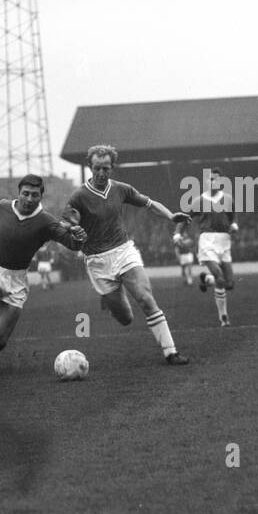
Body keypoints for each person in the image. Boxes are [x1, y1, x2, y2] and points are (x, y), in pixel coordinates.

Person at [63, 145, 192, 365]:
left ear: (112, 167)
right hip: (97, 262)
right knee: (125, 318)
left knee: (145, 298)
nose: (101, 173)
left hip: (123, 251)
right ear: (90, 167)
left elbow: (150, 204)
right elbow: (65, 222)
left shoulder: (121, 189)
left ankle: (170, 352)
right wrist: (72, 228)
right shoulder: (79, 196)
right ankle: (113, 295)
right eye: (97, 168)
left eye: (106, 168)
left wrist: (171, 216)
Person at [0, 174, 86, 375]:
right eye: (26, 193)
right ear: (18, 193)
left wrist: (79, 238)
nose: (29, 199)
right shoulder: (4, 206)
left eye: (34, 195)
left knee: (0, 342)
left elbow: (72, 244)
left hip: (17, 280)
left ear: (40, 197)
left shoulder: (46, 221)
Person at [192, 167, 238, 326]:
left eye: (216, 179)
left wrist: (234, 224)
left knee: (229, 283)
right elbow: (186, 215)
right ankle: (223, 317)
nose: (213, 182)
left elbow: (233, 216)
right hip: (207, 240)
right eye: (211, 179)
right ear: (207, 181)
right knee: (219, 276)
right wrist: (177, 233)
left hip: (224, 240)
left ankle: (206, 279)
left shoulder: (228, 199)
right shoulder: (200, 200)